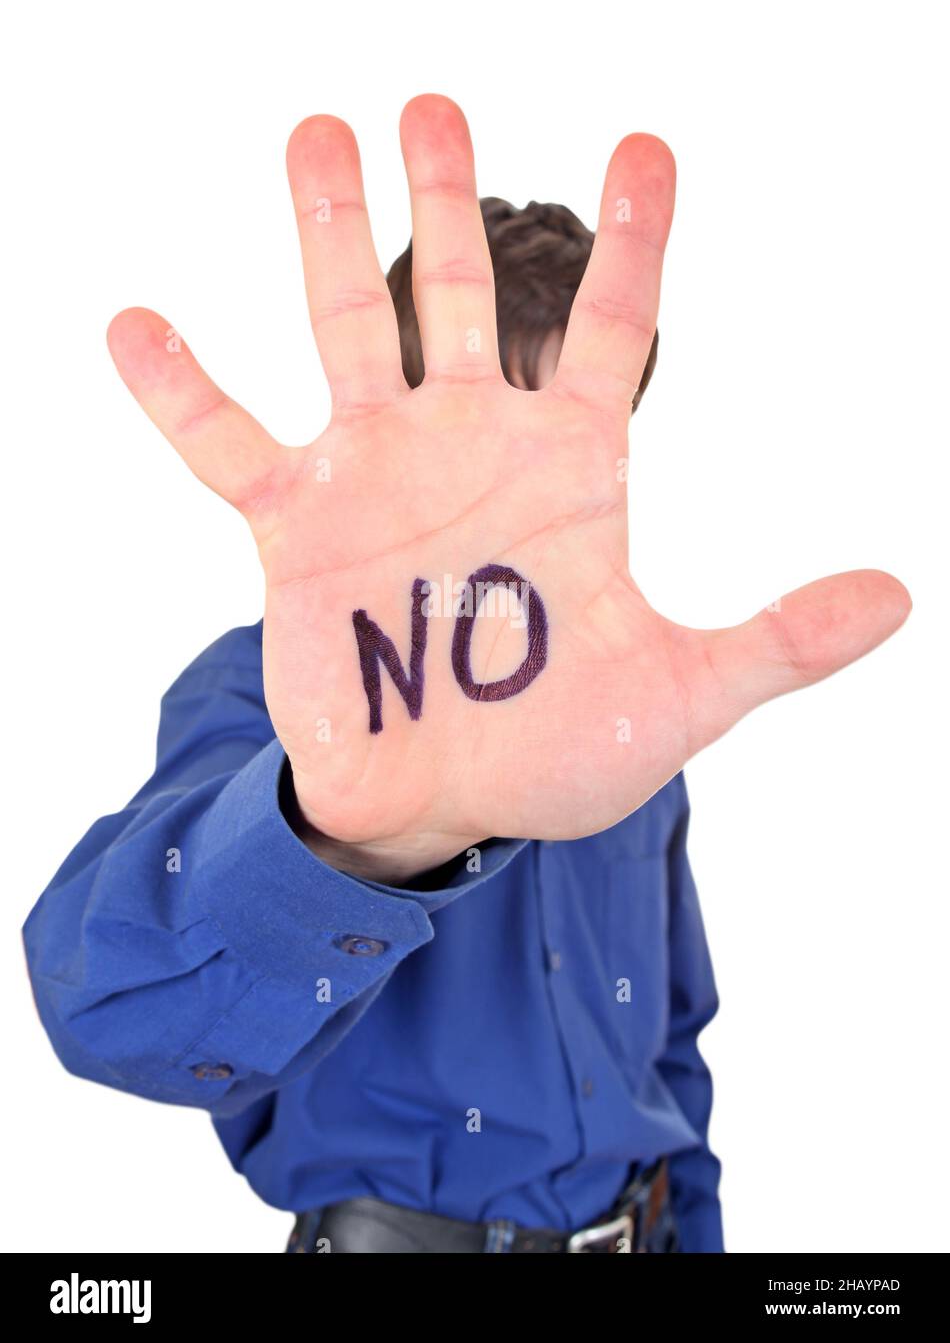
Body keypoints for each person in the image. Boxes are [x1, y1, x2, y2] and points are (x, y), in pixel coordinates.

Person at [22, 96, 910, 1254]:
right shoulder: (266, 705)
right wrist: (356, 845)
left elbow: (671, 1045)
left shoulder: (638, 721)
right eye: (482, 438)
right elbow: (108, 1010)